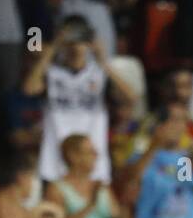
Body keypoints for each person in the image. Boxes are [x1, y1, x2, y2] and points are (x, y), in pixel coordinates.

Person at [27, 14, 134, 185]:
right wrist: (52, 49)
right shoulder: (53, 72)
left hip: (93, 161)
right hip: (55, 160)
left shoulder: (99, 73)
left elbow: (131, 97)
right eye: (70, 39)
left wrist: (103, 61)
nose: (75, 46)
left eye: (80, 39)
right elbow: (30, 89)